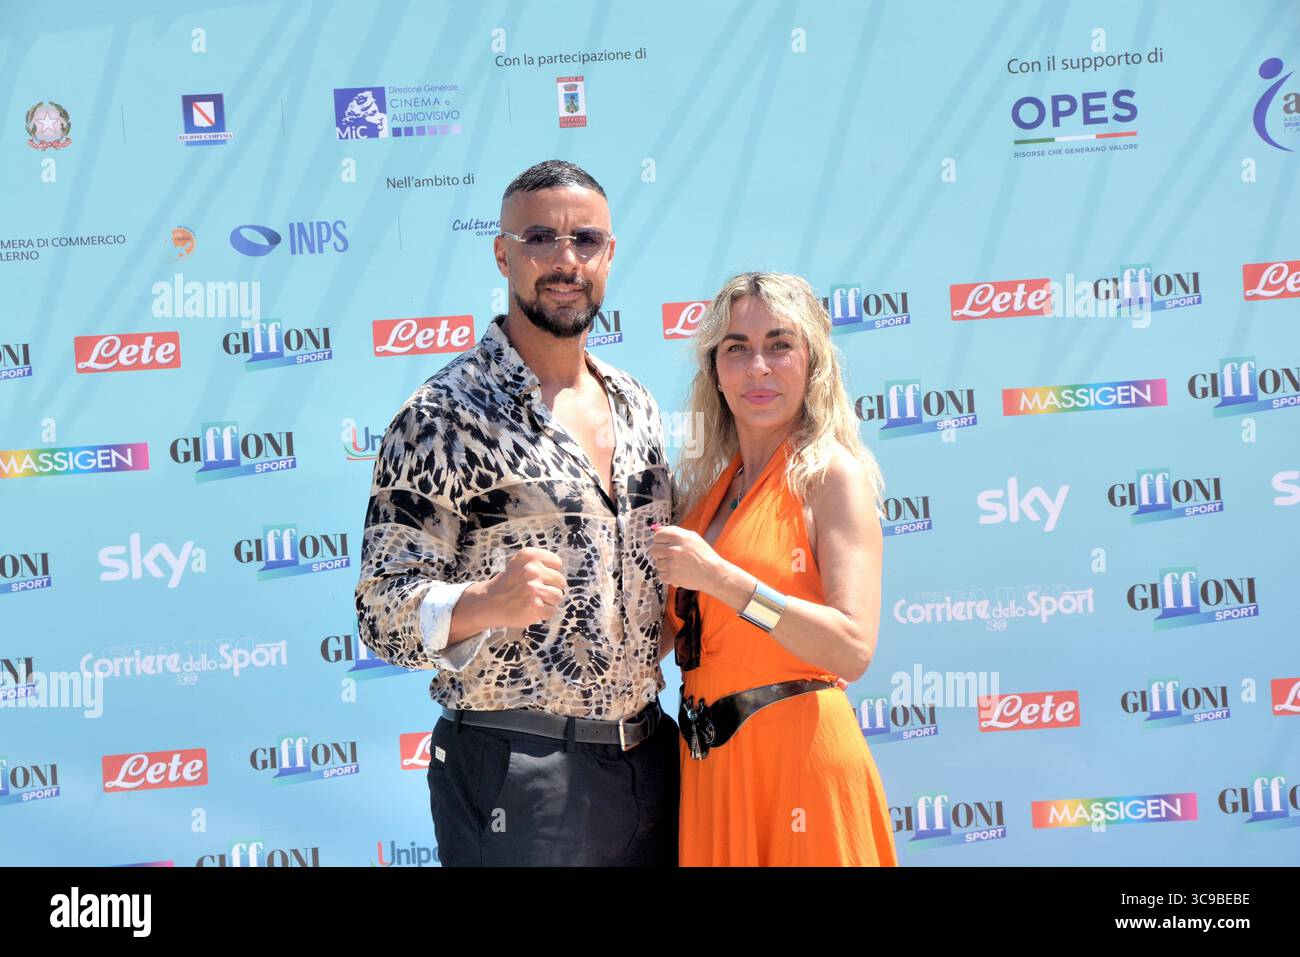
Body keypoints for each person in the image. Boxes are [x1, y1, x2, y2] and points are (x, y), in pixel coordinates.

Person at [355, 160, 679, 866]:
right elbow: (381, 612)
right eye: (541, 238)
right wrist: (483, 600)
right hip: (519, 769)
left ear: (610, 254)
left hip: (652, 760)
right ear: (502, 254)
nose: (566, 261)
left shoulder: (638, 406)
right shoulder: (443, 415)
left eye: (585, 240)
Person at [650, 271, 898, 866]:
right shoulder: (706, 493)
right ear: (715, 369)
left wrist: (727, 583)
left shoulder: (830, 475)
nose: (758, 366)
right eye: (737, 348)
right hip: (711, 770)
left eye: (780, 344)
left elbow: (851, 648)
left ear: (813, 361)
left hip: (799, 763)